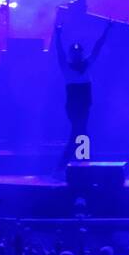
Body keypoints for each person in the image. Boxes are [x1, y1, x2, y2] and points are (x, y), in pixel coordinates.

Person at [54, 20, 113, 174]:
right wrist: (58, 35)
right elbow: (59, 52)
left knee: (82, 133)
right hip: (74, 105)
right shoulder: (66, 67)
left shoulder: (87, 64)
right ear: (71, 54)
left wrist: (107, 30)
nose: (76, 54)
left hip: (85, 104)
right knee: (77, 133)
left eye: (78, 52)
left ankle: (80, 164)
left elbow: (97, 48)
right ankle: (63, 167)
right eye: (74, 52)